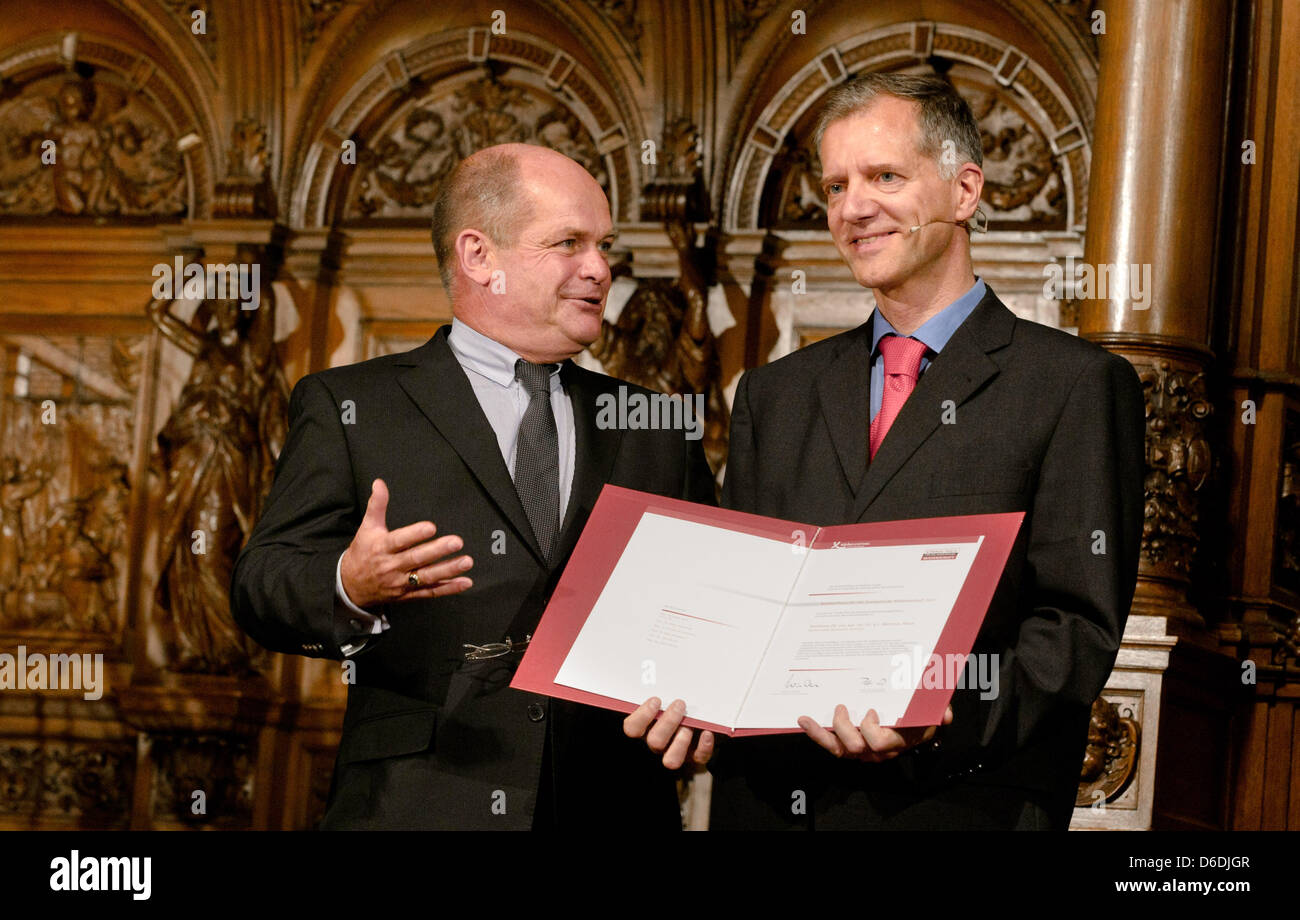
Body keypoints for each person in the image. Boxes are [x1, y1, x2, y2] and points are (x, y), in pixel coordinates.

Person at [231, 143, 716, 830]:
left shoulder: (658, 426)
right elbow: (259, 584)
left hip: (613, 803)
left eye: (604, 246)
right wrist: (348, 583)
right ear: (479, 256)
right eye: (568, 243)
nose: (600, 269)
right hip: (421, 803)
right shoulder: (351, 405)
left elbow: (715, 604)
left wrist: (703, 703)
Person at [707, 73, 1145, 830]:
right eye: (836, 185)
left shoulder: (1074, 385)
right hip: (774, 803)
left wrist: (941, 714)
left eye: (884, 177)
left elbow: (1074, 627)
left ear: (965, 191)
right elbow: (738, 603)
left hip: (957, 802)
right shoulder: (773, 395)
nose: (853, 208)